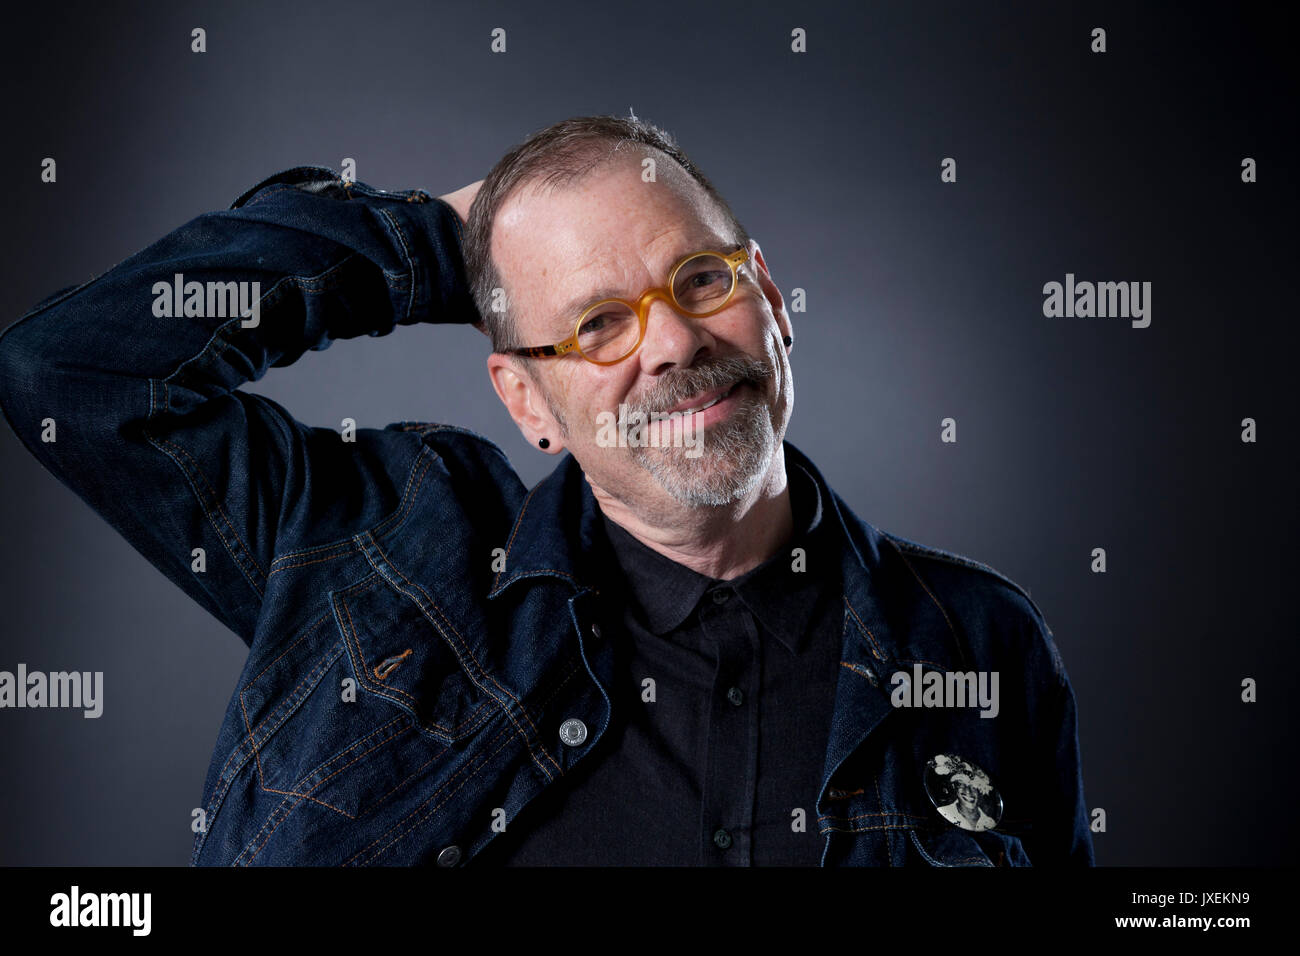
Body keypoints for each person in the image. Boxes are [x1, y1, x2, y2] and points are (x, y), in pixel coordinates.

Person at [0, 114, 1093, 866]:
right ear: (523, 398)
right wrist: (438, 244)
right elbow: (71, 373)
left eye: (699, 281)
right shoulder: (378, 556)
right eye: (597, 320)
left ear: (769, 297)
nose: (669, 342)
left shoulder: (976, 642)